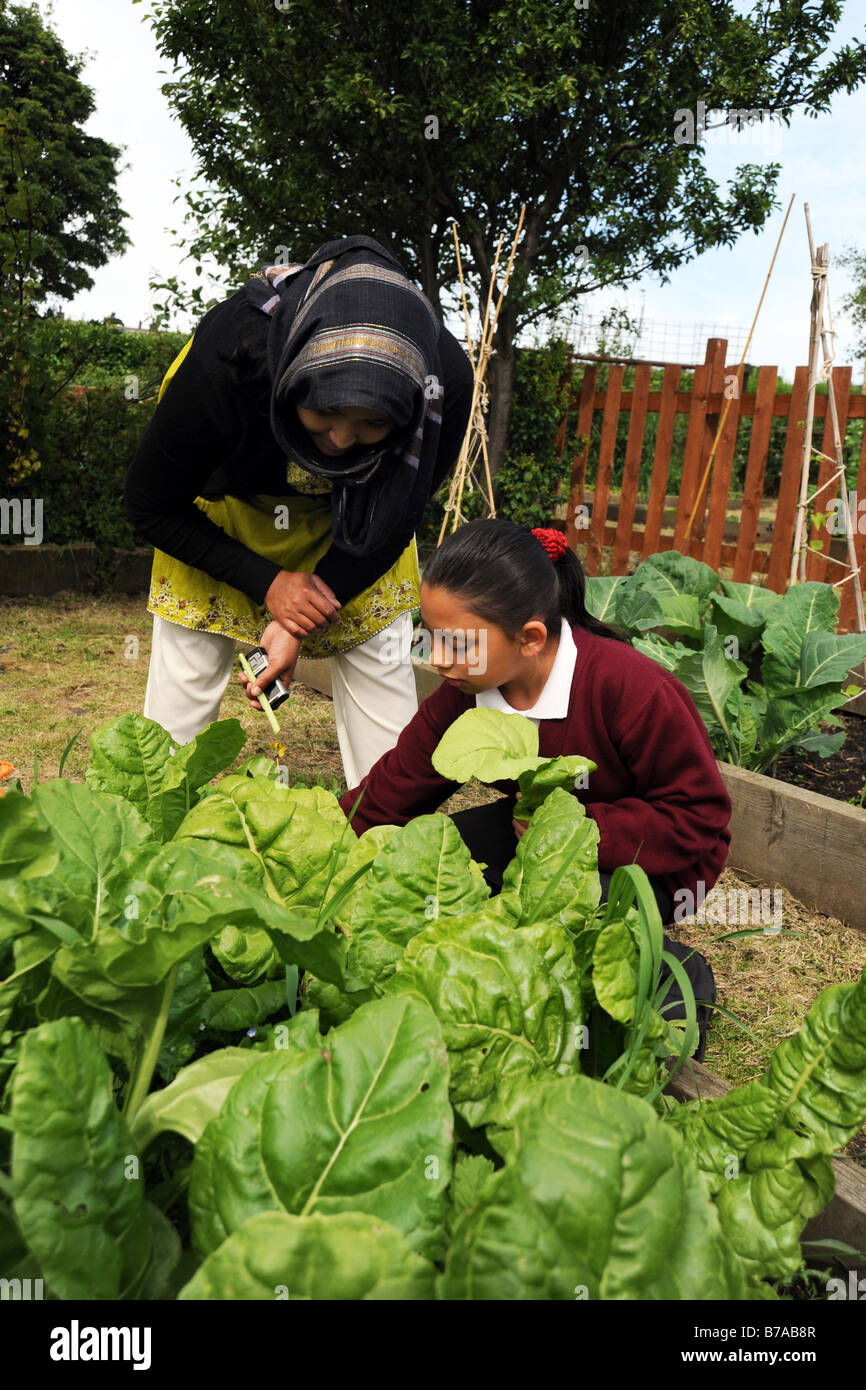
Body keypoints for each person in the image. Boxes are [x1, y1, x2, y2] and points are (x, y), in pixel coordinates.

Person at [328, 519, 730, 1059]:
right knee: (426, 867)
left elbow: (699, 817)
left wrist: (579, 831)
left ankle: (677, 974)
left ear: (532, 637)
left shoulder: (632, 689)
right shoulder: (468, 685)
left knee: (570, 925)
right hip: (531, 829)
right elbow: (396, 786)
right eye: (429, 635)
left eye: (456, 642)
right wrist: (323, 846)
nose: (437, 657)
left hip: (647, 861)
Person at [124, 235, 473, 785]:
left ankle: (391, 848)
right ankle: (153, 840)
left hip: (360, 522)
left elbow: (399, 514)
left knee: (384, 702)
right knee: (175, 722)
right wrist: (270, 584)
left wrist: (298, 618)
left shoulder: (441, 382)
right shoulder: (227, 359)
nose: (339, 441)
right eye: (325, 413)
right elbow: (150, 504)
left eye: (373, 425)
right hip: (226, 513)